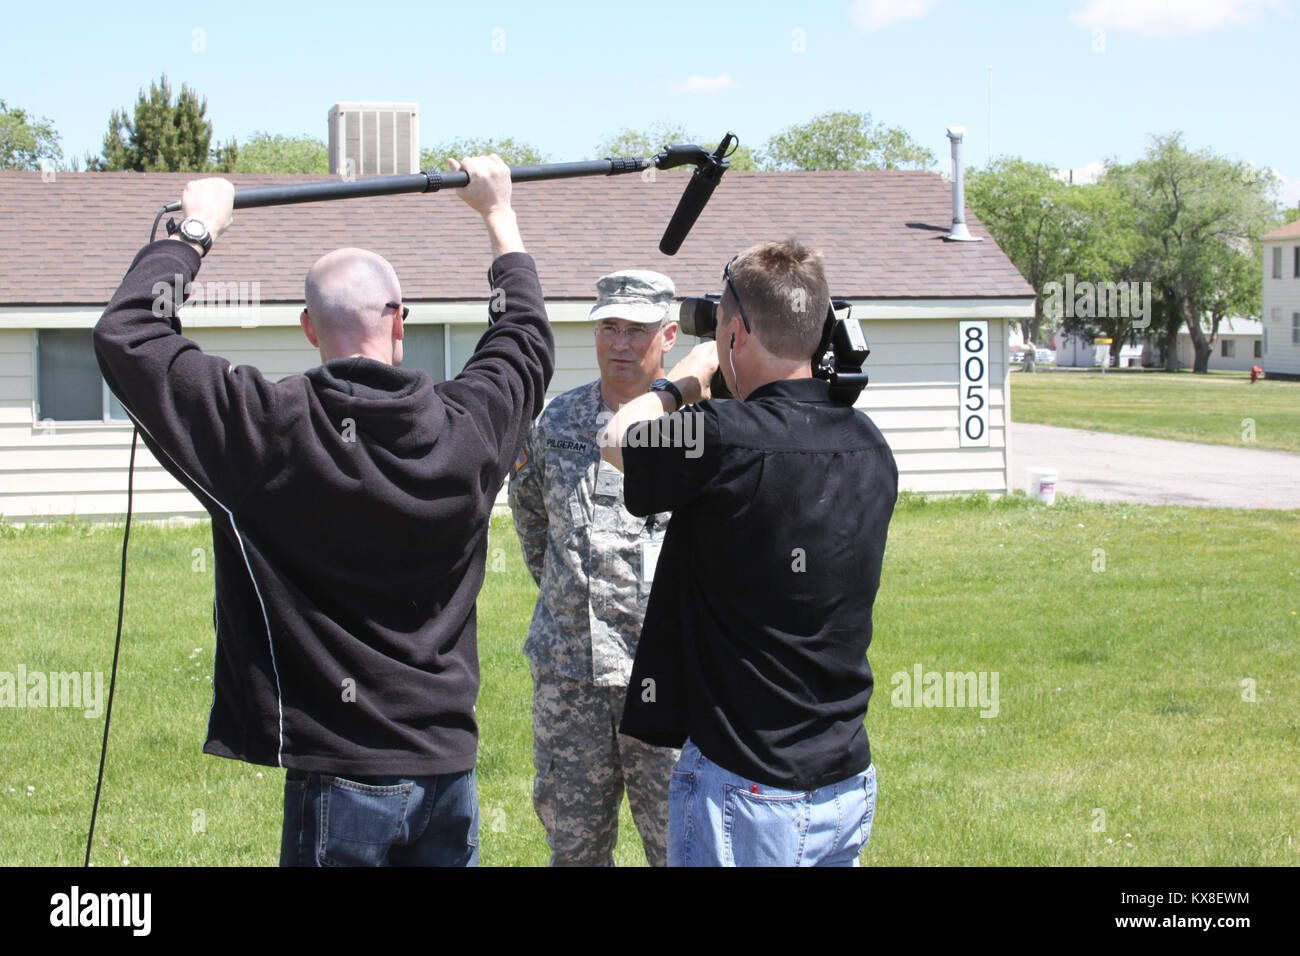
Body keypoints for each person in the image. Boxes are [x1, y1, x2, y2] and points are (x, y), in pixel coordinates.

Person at [92, 155, 554, 866]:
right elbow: (524, 338)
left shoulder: (265, 430)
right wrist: (499, 215)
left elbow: (130, 336)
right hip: (449, 768)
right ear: (401, 321)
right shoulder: (470, 429)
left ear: (310, 328)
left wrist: (191, 233)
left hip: (340, 776)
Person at [599, 240, 898, 867]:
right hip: (844, 777)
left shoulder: (721, 438)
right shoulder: (869, 444)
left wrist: (683, 381)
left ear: (735, 334)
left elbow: (618, 436)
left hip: (747, 786)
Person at [509, 270, 683, 866]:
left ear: (670, 335)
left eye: (637, 329)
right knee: (574, 851)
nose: (621, 343)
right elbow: (534, 524)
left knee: (681, 848)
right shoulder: (554, 422)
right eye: (609, 326)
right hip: (570, 680)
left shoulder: (699, 428)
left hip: (666, 680)